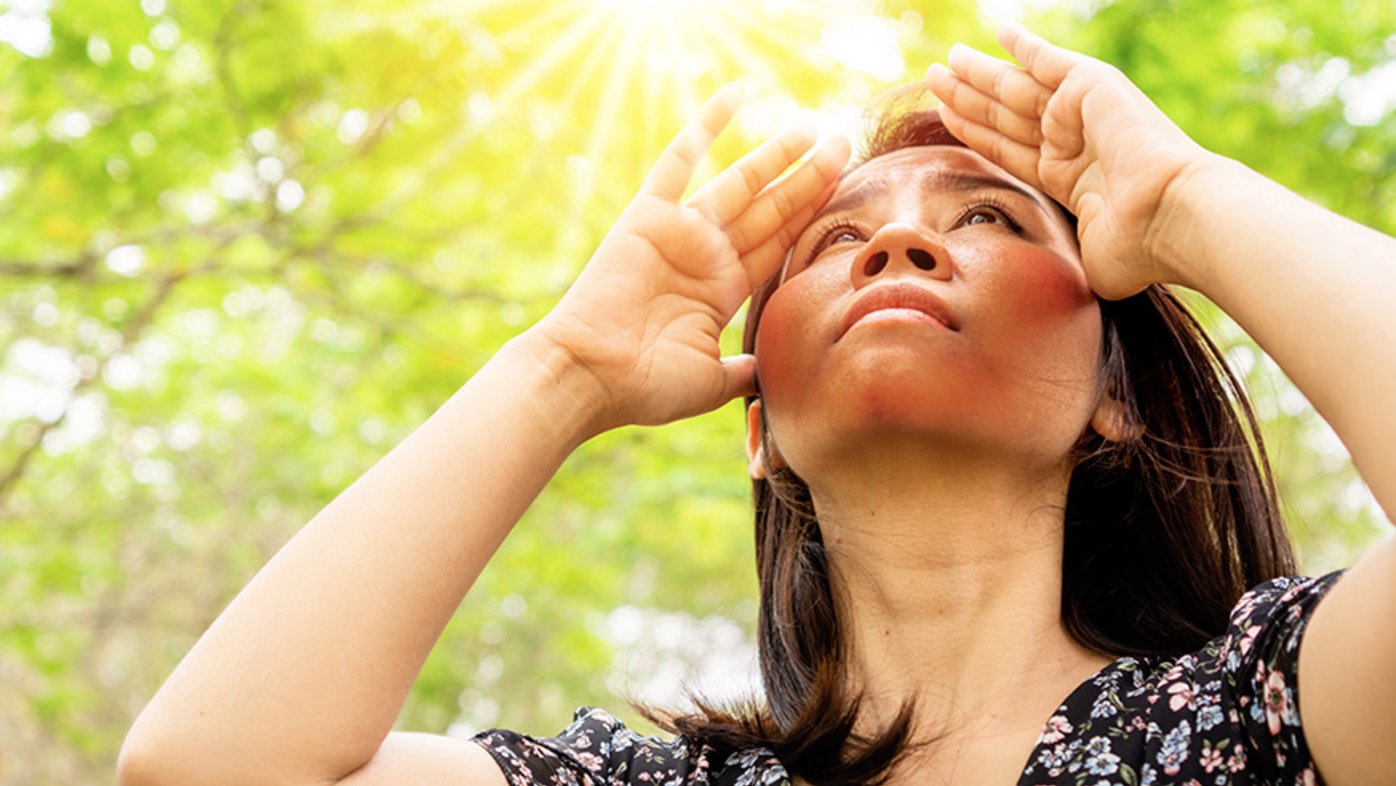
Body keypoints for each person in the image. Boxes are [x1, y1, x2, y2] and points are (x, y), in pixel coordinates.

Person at [118, 23, 1396, 786]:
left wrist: (1182, 202)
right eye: (836, 241)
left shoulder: (1266, 713)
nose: (897, 248)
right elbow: (205, 769)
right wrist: (562, 370)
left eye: (985, 218)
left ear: (1116, 399)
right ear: (761, 429)